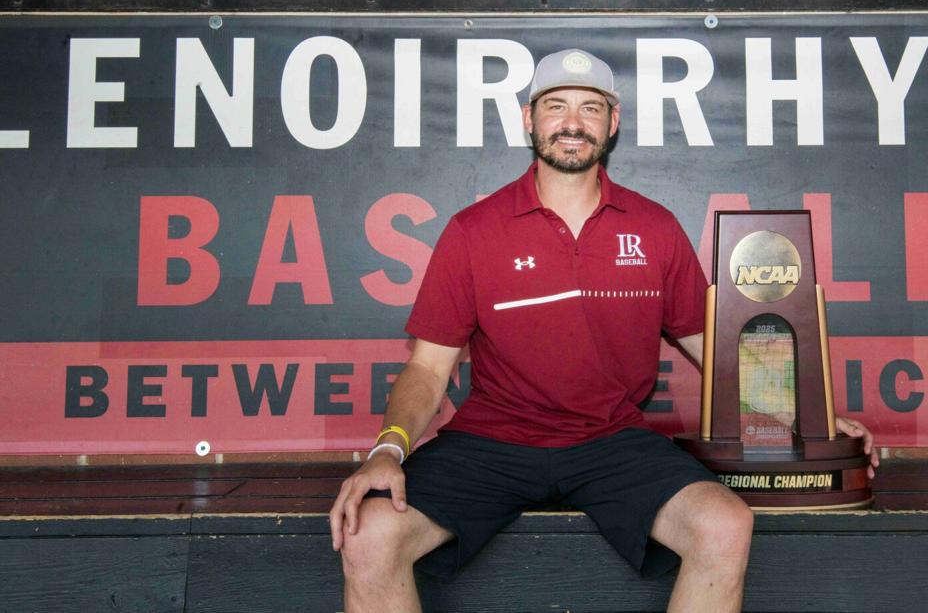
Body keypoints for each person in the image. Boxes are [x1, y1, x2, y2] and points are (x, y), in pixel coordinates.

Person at [330, 48, 878, 613]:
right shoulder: (473, 231)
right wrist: (388, 449)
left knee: (724, 524)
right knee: (369, 532)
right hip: (494, 442)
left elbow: (710, 348)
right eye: (556, 106)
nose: (572, 122)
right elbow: (427, 368)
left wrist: (803, 412)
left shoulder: (654, 227)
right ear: (529, 119)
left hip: (612, 441)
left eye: (590, 108)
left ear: (612, 123)